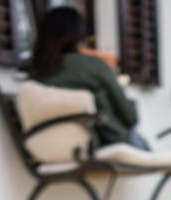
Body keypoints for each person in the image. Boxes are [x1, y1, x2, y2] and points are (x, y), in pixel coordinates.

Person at [30, 6, 150, 150]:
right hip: (106, 143)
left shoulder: (35, 73)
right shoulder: (93, 65)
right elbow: (131, 117)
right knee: (145, 148)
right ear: (78, 35)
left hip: (50, 148)